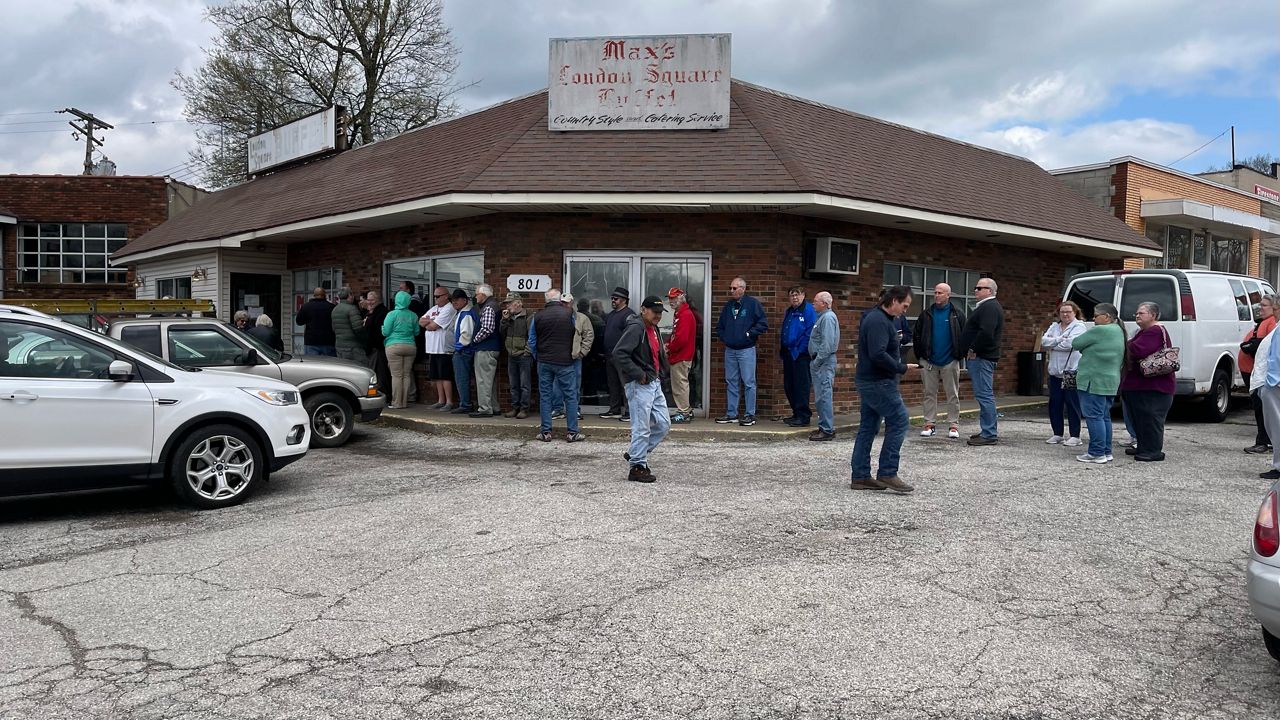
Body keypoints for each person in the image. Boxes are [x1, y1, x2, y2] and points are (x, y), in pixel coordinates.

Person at [849, 285, 914, 494]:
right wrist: (901, 367)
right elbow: (877, 354)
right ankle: (887, 471)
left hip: (871, 380)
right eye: (905, 305)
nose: (905, 310)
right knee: (900, 419)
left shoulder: (881, 319)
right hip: (878, 382)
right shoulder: (878, 320)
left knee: (868, 427)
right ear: (894, 301)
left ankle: (860, 477)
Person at [614, 296, 672, 483]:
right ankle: (637, 466)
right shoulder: (636, 327)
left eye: (659, 313)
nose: (657, 316)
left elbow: (655, 353)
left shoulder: (652, 328)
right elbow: (619, 353)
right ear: (643, 309)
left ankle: (635, 453)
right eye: (654, 312)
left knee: (663, 424)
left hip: (652, 382)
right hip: (640, 383)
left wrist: (661, 373)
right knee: (641, 427)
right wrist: (638, 374)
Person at [1063, 302, 1125, 464]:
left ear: (1107, 317)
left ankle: (1096, 452)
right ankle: (1106, 451)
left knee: (1094, 417)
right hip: (1110, 381)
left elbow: (1076, 343)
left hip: (1093, 380)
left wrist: (1087, 349)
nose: (1094, 318)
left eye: (1096, 315)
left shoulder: (1099, 330)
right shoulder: (1118, 330)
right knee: (1104, 416)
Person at [1120, 301, 1177, 462]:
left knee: (1151, 419)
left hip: (1154, 387)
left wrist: (1123, 345)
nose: (1137, 315)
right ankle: (1143, 446)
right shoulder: (1144, 331)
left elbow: (1137, 350)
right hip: (1140, 385)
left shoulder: (1155, 331)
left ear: (1153, 315)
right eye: (1136, 313)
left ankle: (1153, 450)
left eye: (1141, 313)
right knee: (1140, 418)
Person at [913, 283, 965, 440]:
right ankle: (929, 424)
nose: (936, 295)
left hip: (950, 360)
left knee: (952, 394)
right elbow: (917, 335)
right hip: (929, 361)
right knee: (929, 393)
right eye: (935, 292)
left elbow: (965, 336)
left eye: (940, 293)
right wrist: (921, 356)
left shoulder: (957, 314)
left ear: (948, 295)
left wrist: (959, 355)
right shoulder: (926, 314)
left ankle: (953, 425)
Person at [532, 289, 585, 442]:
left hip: (544, 361)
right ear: (558, 299)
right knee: (570, 396)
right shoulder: (570, 315)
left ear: (546, 300)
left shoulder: (538, 316)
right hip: (565, 361)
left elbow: (532, 341)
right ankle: (572, 432)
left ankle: (546, 432)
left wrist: (538, 356)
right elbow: (575, 336)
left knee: (545, 396)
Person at [956, 277, 1004, 446]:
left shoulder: (990, 307)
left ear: (989, 291)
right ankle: (987, 430)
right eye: (975, 288)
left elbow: (986, 332)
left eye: (979, 288)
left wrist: (973, 349)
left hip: (982, 358)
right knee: (983, 395)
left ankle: (989, 433)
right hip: (981, 357)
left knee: (985, 395)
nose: (975, 290)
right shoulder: (986, 307)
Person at [715, 276, 768, 426]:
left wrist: (748, 334)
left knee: (749, 382)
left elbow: (763, 323)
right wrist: (726, 337)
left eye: (734, 288)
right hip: (730, 349)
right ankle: (732, 413)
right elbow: (720, 326)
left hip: (746, 350)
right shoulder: (728, 306)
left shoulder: (752, 304)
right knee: (731, 382)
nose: (731, 291)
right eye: (730, 288)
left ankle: (749, 414)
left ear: (743, 289)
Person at [1041, 301, 1087, 447]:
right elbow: (1044, 342)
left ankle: (1075, 435)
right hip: (1055, 372)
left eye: (1068, 312)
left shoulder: (1079, 326)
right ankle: (1057, 433)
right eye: (1062, 312)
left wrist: (1054, 344)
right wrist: (1060, 340)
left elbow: (1071, 344)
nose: (1065, 314)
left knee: (1072, 404)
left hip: (1071, 372)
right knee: (1055, 403)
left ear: (1075, 312)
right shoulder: (1054, 326)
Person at [1241, 294, 1277, 454]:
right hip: (1253, 373)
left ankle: (1264, 442)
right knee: (1259, 408)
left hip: (1264, 378)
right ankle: (1264, 441)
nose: (1260, 308)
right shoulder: (1264, 322)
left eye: (1264, 305)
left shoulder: (1272, 324)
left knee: (1263, 410)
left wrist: (1250, 346)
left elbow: (1266, 348)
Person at [553, 291, 594, 421]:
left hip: (575, 357)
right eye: (562, 303)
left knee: (575, 385)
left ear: (572, 303)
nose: (564, 305)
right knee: (556, 384)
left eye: (566, 303)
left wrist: (582, 352)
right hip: (558, 357)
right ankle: (558, 409)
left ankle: (574, 410)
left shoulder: (582, 318)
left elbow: (589, 335)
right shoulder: (555, 317)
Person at [780, 286, 816, 427]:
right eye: (792, 295)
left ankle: (803, 416)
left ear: (803, 296)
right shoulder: (790, 311)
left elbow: (810, 333)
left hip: (800, 355)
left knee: (801, 386)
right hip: (788, 353)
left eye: (797, 295)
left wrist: (800, 350)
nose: (795, 297)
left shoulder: (808, 311)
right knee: (789, 385)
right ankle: (796, 413)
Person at [807, 291, 839, 441]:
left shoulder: (827, 318)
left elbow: (827, 344)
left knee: (824, 396)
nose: (813, 304)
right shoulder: (822, 318)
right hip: (820, 362)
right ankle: (823, 426)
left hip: (823, 363)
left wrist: (817, 361)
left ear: (824, 304)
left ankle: (827, 429)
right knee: (820, 397)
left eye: (815, 301)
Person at [381, 290, 421, 410]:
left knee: (397, 376)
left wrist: (382, 327)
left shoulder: (391, 314)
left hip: (394, 346)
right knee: (406, 375)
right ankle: (405, 402)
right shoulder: (413, 315)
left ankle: (397, 403)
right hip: (410, 346)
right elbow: (417, 332)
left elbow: (386, 332)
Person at [420, 286, 458, 410]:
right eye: (434, 296)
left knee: (445, 376)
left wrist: (430, 322)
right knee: (437, 376)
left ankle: (449, 402)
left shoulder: (449, 308)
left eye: (438, 296)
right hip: (432, 348)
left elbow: (433, 326)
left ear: (446, 296)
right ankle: (440, 400)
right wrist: (430, 321)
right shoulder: (434, 308)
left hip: (443, 348)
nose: (435, 299)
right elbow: (420, 321)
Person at [1250, 326, 1280, 479]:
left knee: (1276, 426)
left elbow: (1275, 357)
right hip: (1272, 383)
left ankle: (1279, 466)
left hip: (1274, 384)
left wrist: (1270, 381)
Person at [468, 284, 502, 418]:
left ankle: (485, 408)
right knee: (489, 380)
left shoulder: (488, 307)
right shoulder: (494, 305)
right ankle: (494, 406)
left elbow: (487, 328)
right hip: (492, 347)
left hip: (486, 348)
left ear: (483, 295)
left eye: (477, 294)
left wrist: (475, 339)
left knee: (482, 380)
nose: (475, 296)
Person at [602, 287, 635, 420]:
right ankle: (614, 409)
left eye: (615, 299)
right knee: (613, 384)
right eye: (612, 298)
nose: (613, 301)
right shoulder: (611, 315)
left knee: (626, 384)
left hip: (622, 356)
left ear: (624, 300)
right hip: (609, 355)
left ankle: (629, 411)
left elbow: (630, 336)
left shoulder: (629, 315)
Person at [666, 287, 697, 423]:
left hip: (681, 355)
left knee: (680, 384)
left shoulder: (685, 315)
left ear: (680, 299)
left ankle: (683, 412)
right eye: (669, 298)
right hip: (680, 355)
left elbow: (681, 339)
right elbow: (676, 335)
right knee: (680, 383)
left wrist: (669, 348)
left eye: (673, 298)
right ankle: (687, 410)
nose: (670, 301)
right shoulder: (680, 314)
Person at [500, 293, 532, 418]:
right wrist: (504, 320)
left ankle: (524, 409)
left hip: (524, 355)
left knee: (524, 384)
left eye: (509, 303)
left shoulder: (528, 316)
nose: (507, 306)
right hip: (511, 354)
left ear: (518, 303)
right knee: (513, 384)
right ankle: (515, 407)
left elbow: (532, 336)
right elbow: (501, 333)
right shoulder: (508, 317)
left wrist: (527, 352)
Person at [449, 289, 477, 414]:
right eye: (452, 300)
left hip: (464, 351)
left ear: (464, 300)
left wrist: (458, 348)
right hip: (465, 350)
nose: (454, 302)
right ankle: (465, 403)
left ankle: (465, 404)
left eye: (456, 300)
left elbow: (467, 335)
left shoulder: (466, 314)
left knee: (462, 379)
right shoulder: (465, 312)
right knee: (463, 378)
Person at [362, 291, 391, 396]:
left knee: (379, 374)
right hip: (371, 348)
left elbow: (378, 332)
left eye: (372, 300)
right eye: (368, 300)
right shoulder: (370, 312)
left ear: (378, 300)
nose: (369, 302)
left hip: (377, 348)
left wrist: (371, 346)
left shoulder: (382, 312)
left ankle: (382, 395)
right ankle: (375, 394)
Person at [294, 287, 336, 356]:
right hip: (328, 341)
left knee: (313, 364)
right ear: (325, 295)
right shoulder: (331, 307)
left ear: (314, 295)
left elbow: (299, 322)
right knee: (328, 365)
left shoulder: (306, 307)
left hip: (311, 341)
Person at [331, 287, 365, 363]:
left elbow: (333, 328)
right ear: (349, 295)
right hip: (353, 346)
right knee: (361, 367)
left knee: (345, 368)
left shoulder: (335, 309)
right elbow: (358, 328)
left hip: (339, 345)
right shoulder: (352, 309)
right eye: (352, 294)